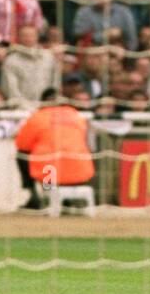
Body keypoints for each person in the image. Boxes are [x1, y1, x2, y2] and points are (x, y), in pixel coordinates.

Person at [13, 76, 96, 210]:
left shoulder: (38, 117)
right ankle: (67, 200)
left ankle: (36, 195)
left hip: (49, 176)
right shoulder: (75, 115)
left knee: (22, 155)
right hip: (80, 173)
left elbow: (21, 145)